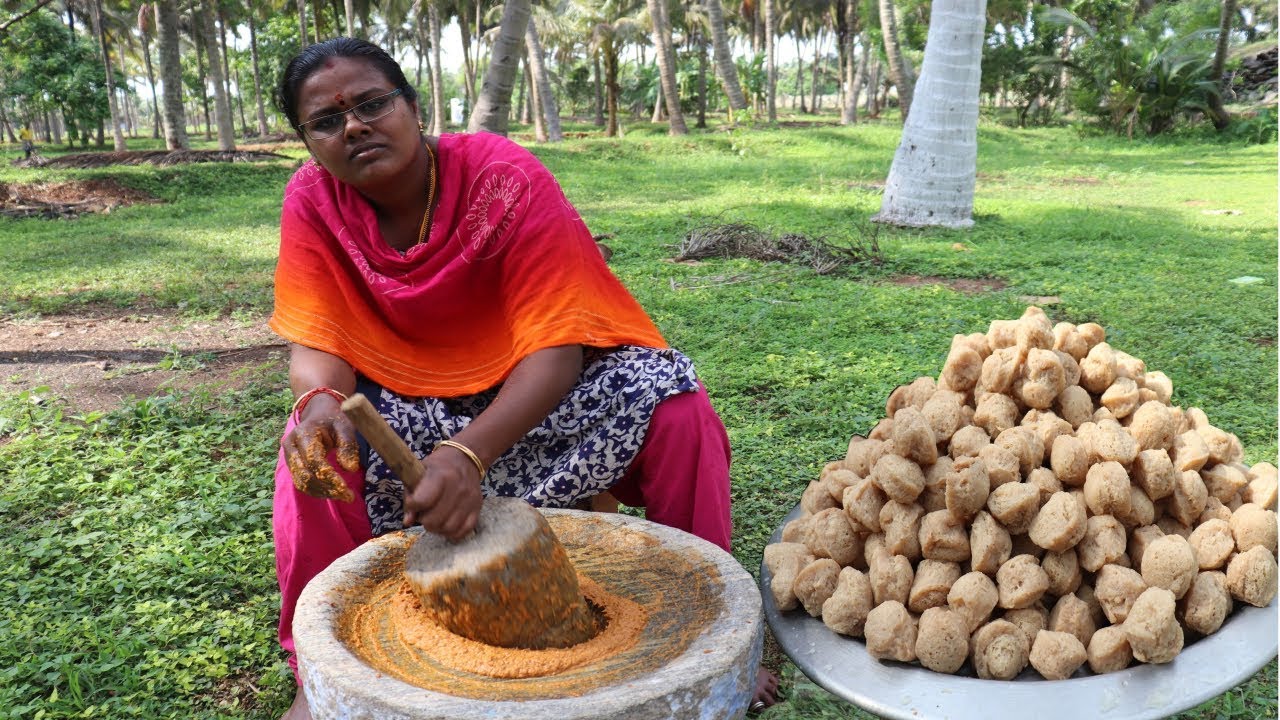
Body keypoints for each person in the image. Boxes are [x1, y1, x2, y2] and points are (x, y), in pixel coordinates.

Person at [269, 38, 779, 719]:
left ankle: (717, 636)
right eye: (327, 121)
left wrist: (468, 454)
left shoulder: (501, 176)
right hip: (408, 401)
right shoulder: (312, 200)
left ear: (414, 108)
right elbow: (319, 342)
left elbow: (557, 352)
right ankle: (319, 675)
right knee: (316, 448)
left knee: (676, 407)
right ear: (308, 142)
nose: (354, 126)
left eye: (370, 104)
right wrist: (322, 402)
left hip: (531, 395)